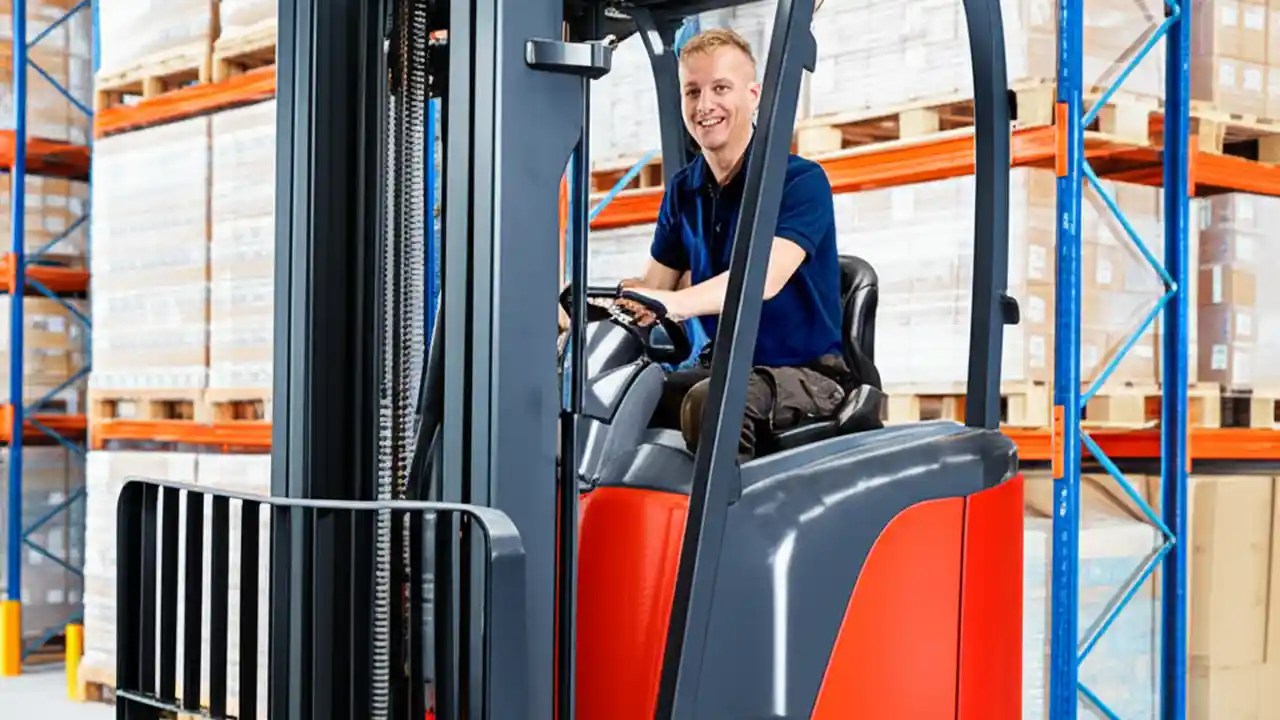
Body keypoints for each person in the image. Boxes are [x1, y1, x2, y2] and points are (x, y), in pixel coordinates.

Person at [617, 27, 860, 461]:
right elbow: (654, 286)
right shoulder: (684, 190)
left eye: (720, 88)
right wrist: (600, 310)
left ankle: (729, 528)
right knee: (629, 396)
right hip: (725, 363)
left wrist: (673, 302)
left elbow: (761, 279)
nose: (704, 105)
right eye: (692, 91)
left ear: (754, 95)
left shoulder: (798, 182)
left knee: (713, 404)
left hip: (806, 374)